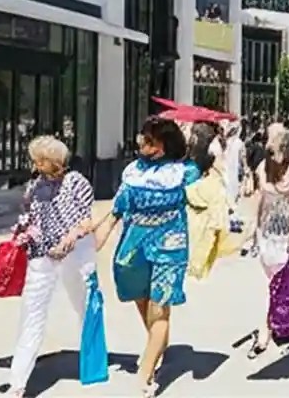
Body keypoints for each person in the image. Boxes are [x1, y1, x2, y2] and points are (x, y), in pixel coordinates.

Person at [92, 117, 199, 398]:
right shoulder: (133, 171)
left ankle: (146, 374)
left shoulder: (184, 172)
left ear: (163, 147)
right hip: (134, 244)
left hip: (170, 245)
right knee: (142, 299)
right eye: (143, 138)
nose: (143, 144)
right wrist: (100, 234)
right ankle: (157, 342)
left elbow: (208, 197)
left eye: (150, 140)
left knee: (160, 306)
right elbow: (118, 206)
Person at [7, 136, 97, 397]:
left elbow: (87, 220)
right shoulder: (35, 186)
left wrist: (70, 238)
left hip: (76, 252)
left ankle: (92, 360)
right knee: (31, 313)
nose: (35, 165)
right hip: (42, 254)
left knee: (85, 305)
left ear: (54, 160)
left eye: (40, 160)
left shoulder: (77, 183)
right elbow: (29, 217)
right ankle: (18, 382)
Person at [246, 131, 289, 358]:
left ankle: (268, 329)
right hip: (267, 235)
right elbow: (259, 200)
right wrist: (254, 230)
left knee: (279, 285)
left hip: (286, 236)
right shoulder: (263, 168)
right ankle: (285, 324)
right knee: (276, 283)